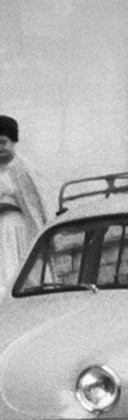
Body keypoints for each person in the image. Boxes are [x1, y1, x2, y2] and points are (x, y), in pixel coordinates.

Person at [0, 115, 47, 296]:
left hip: (21, 230)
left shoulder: (25, 169)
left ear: (13, 141)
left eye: (3, 142)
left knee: (18, 273)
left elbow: (36, 206)